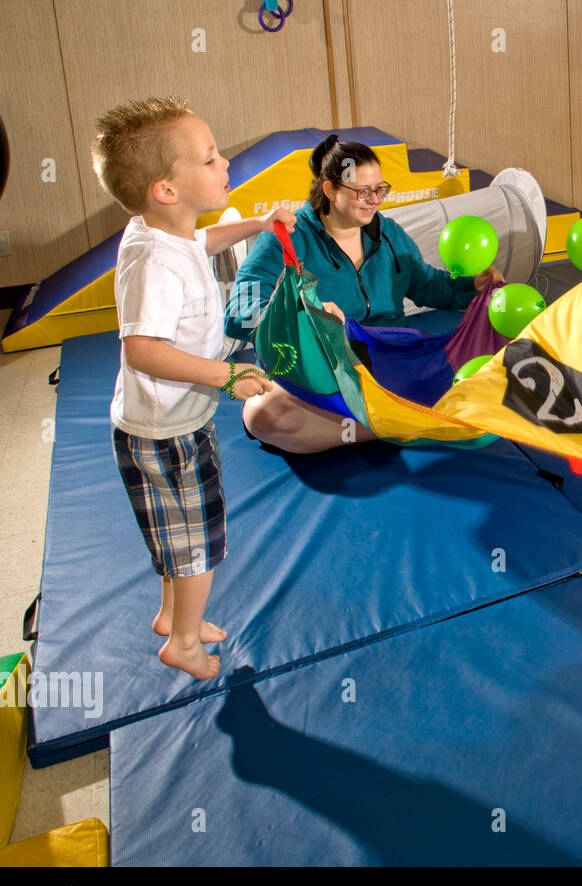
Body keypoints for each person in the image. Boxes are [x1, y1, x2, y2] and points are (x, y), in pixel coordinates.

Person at [92, 96, 294, 680]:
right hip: (166, 433)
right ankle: (183, 642)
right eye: (209, 159)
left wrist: (255, 224)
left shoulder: (162, 230)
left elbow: (201, 244)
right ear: (166, 189)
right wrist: (226, 373)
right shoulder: (153, 262)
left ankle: (169, 615)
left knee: (171, 530)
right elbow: (144, 349)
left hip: (169, 421)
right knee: (197, 544)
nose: (225, 162)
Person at [224, 136, 502, 453]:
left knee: (487, 383)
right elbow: (239, 310)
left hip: (389, 361)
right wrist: (304, 317)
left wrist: (473, 287)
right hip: (329, 368)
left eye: (380, 189)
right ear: (329, 190)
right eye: (362, 192)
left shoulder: (389, 234)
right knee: (264, 414)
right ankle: (394, 425)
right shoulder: (290, 238)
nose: (374, 200)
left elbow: (427, 284)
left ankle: (378, 423)